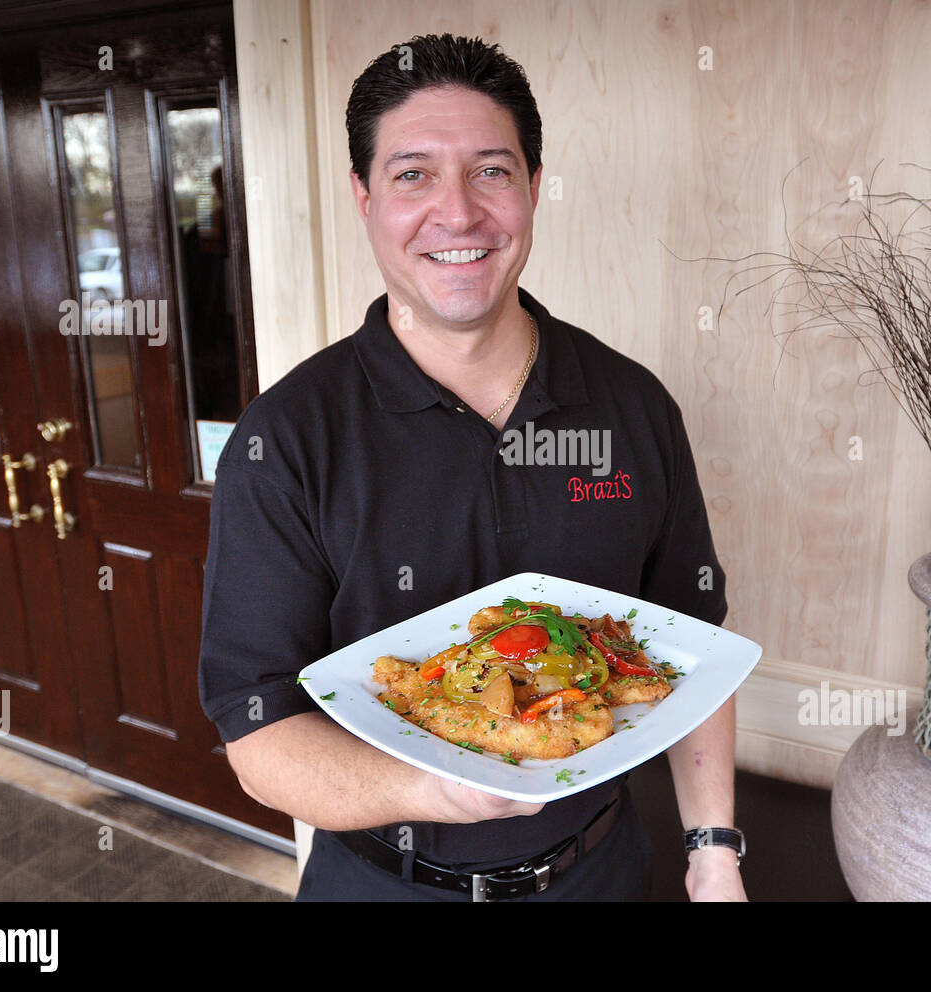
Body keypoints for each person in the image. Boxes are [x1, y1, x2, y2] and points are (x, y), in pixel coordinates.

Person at [198, 33, 747, 901]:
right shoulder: (286, 440)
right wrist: (436, 791)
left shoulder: (634, 404)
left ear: (533, 187)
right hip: (385, 881)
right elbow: (258, 732)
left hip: (602, 871)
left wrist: (713, 851)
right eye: (413, 174)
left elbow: (695, 644)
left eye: (491, 171)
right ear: (364, 196)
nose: (457, 215)